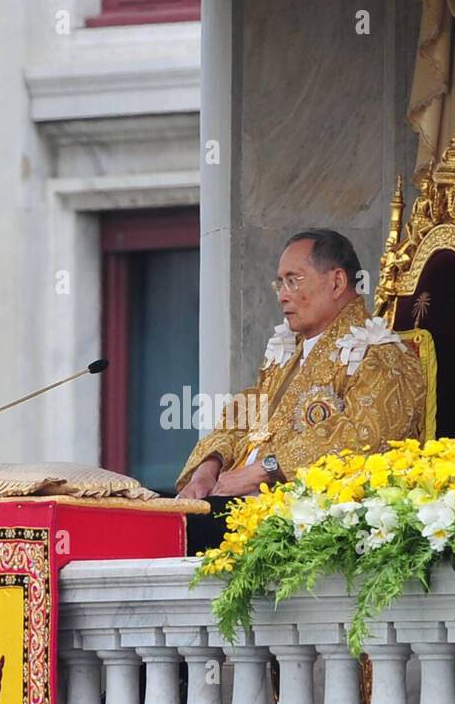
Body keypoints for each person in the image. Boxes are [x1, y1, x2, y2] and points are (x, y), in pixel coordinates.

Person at [176, 229, 427, 551]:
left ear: (336, 282)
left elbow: (364, 438)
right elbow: (243, 414)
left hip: (302, 518)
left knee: (168, 532)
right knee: (144, 514)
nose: (282, 294)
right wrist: (206, 471)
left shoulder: (381, 356)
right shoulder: (288, 355)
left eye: (294, 280)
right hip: (232, 504)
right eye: (280, 283)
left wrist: (260, 472)